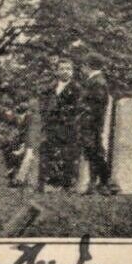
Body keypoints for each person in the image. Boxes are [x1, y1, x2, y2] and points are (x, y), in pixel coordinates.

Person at [75, 53, 116, 193]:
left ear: (88, 66)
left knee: (94, 152)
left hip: (91, 123)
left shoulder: (97, 81)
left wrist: (83, 111)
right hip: (90, 123)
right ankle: (98, 184)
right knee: (92, 152)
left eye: (83, 65)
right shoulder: (94, 80)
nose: (81, 69)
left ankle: (107, 182)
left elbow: (97, 105)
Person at [39, 55, 80, 190]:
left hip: (68, 127)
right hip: (51, 127)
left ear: (72, 71)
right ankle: (48, 184)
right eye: (62, 69)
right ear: (56, 71)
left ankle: (67, 185)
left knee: (67, 156)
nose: (65, 71)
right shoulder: (50, 88)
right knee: (48, 153)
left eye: (68, 69)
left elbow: (78, 109)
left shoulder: (77, 89)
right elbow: (44, 106)